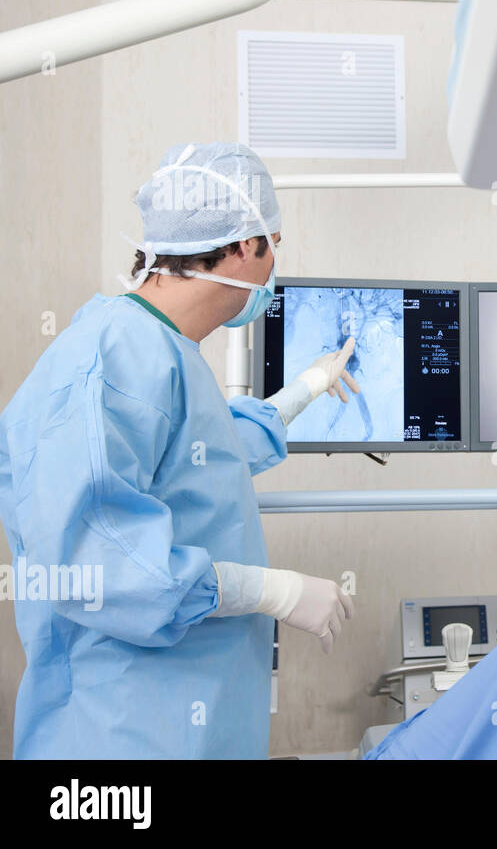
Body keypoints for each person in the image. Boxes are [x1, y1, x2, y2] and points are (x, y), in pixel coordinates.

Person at [0, 142, 360, 759]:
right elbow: (98, 567)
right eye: (274, 242)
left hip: (191, 725)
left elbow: (203, 458)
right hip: (117, 741)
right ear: (247, 246)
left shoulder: (159, 351)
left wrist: (305, 389)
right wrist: (275, 592)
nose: (274, 267)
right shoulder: (104, 363)